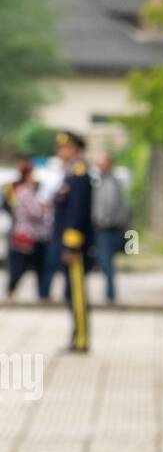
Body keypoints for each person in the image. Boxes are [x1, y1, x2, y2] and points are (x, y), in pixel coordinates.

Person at [53, 130, 93, 353]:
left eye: (64, 148)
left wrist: (70, 243)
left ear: (74, 149)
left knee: (76, 294)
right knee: (70, 292)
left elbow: (77, 213)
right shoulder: (70, 173)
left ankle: (81, 340)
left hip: (75, 245)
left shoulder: (79, 174)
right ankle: (76, 337)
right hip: (67, 242)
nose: (60, 152)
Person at [3, 155, 51, 299]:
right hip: (25, 233)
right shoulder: (17, 188)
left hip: (33, 233)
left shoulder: (32, 187)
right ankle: (12, 291)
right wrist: (44, 209)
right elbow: (35, 211)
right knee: (19, 265)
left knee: (37, 265)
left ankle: (42, 292)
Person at [92, 153, 129, 304]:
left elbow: (112, 205)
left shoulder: (114, 183)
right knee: (103, 261)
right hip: (100, 228)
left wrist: (102, 220)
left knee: (107, 262)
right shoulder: (98, 181)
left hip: (109, 228)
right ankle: (109, 293)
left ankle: (110, 294)